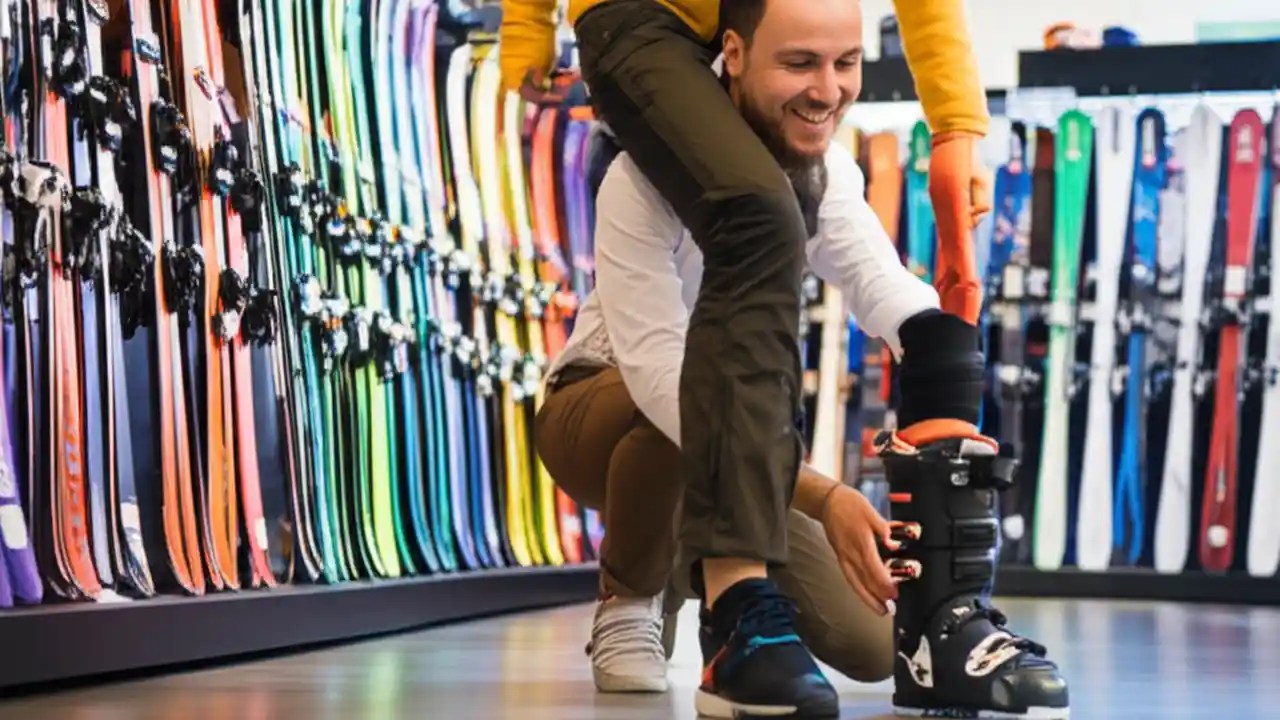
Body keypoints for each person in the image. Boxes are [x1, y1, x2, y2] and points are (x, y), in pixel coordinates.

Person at [504, 0, 1069, 718]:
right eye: (799, 63)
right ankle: (635, 595)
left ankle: (937, 620)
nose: (827, 91)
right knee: (687, 404)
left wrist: (945, 354)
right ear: (736, 56)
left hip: (736, 441)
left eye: (846, 64)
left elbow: (887, 291)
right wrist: (824, 496)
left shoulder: (824, 171)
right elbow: (660, 380)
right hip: (600, 410)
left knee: (873, 641)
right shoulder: (638, 180)